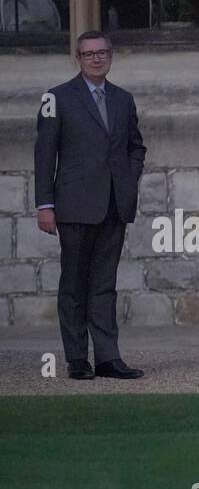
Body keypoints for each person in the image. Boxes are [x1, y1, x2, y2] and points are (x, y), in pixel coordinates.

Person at [34, 30, 147, 380]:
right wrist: (45, 205)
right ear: (78, 58)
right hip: (74, 205)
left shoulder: (123, 99)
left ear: (110, 56)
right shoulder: (56, 98)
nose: (96, 59)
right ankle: (77, 359)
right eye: (88, 54)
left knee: (104, 284)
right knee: (74, 284)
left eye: (102, 53)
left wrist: (128, 179)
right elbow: (44, 155)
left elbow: (135, 146)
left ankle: (108, 358)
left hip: (114, 204)